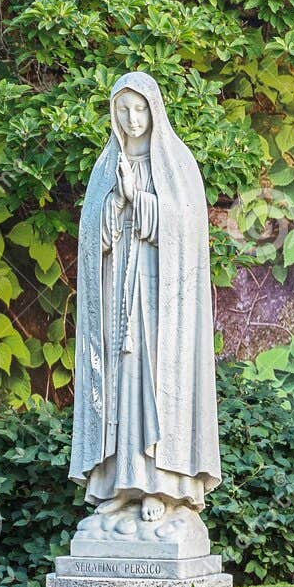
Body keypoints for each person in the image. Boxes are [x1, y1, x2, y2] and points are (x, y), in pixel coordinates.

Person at [69, 72, 220, 531]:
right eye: (123, 110)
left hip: (161, 303)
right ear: (113, 115)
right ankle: (120, 487)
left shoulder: (176, 162)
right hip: (117, 294)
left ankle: (160, 486)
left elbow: (187, 229)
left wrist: (142, 201)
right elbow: (92, 238)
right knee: (117, 387)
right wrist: (114, 206)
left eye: (140, 109)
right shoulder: (105, 167)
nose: (133, 120)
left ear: (154, 111)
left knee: (155, 384)